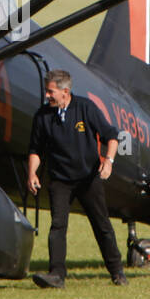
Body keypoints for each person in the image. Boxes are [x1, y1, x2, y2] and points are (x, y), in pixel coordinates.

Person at [27, 69, 126, 287]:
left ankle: (117, 272)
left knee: (102, 226)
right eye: (46, 91)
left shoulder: (86, 108)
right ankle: (56, 275)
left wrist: (108, 161)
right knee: (57, 226)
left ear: (65, 91)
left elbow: (112, 136)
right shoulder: (42, 116)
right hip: (60, 180)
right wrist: (32, 173)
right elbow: (35, 150)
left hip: (87, 179)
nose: (47, 96)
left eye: (50, 92)